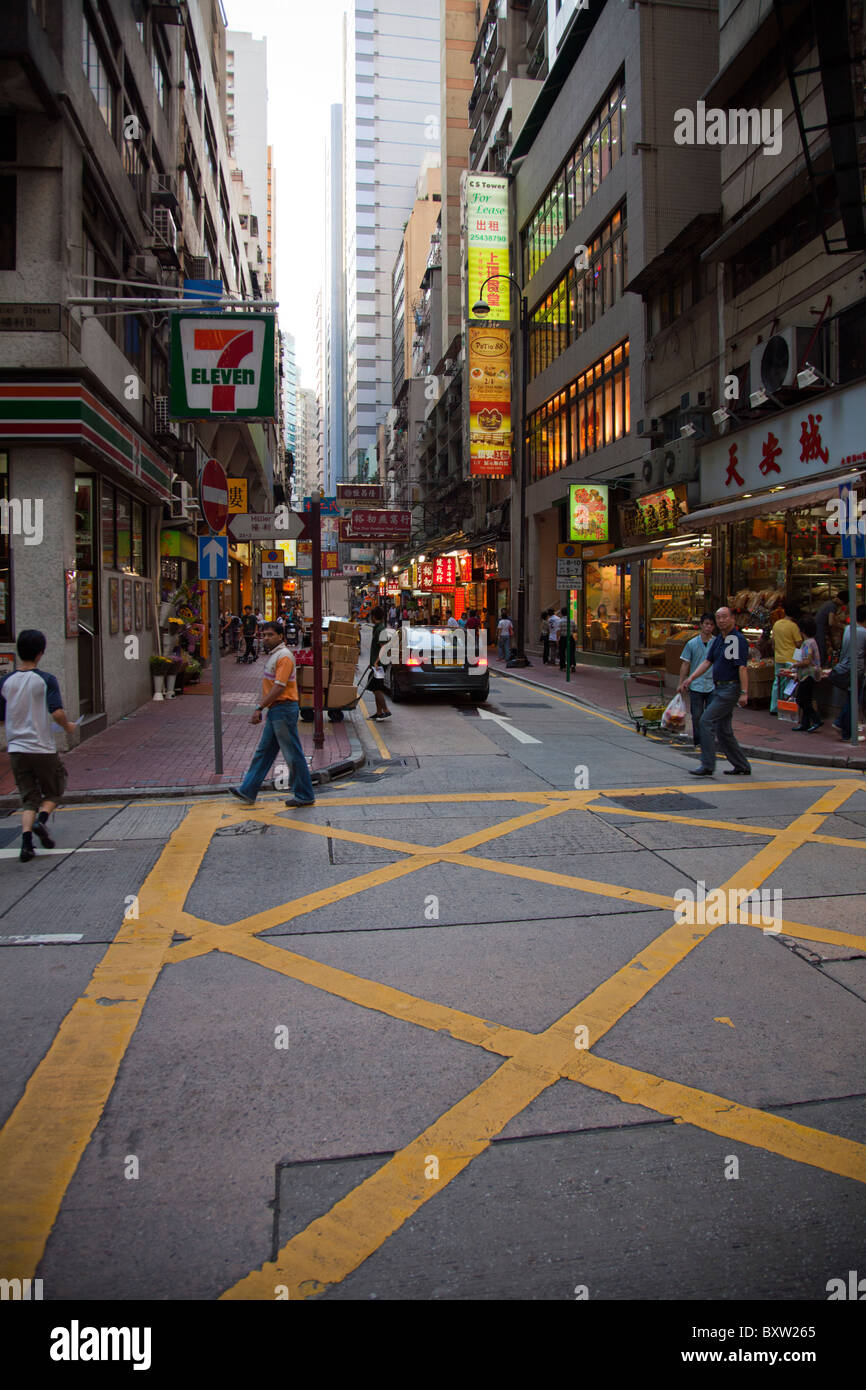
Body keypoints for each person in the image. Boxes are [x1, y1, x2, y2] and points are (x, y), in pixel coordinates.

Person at [0, 629, 78, 861]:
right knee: (55, 789)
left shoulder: (6, 682)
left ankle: (26, 844)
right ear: (40, 653)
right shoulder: (45, 680)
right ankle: (42, 821)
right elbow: (56, 712)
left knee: (28, 798)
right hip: (41, 747)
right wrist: (68, 727)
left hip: (16, 748)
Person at [230, 623, 316, 808]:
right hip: (277, 710)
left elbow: (279, 686)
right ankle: (248, 789)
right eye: (264, 635)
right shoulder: (276, 655)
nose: (266, 638)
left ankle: (304, 794)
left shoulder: (284, 656)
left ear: (280, 636)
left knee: (292, 754)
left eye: (270, 635)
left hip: (283, 709)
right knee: (264, 752)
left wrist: (260, 707)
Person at [678, 606, 751, 777]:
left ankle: (708, 764)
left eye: (725, 617)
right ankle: (742, 765)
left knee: (705, 720)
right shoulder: (719, 640)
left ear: (733, 619)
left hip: (729, 688)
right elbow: (707, 662)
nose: (721, 621)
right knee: (723, 730)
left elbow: (742, 667)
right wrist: (691, 678)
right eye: (719, 618)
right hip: (719, 687)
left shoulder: (736, 639)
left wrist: (744, 692)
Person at [827, 603, 866, 740]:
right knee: (854, 701)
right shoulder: (863, 632)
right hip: (855, 671)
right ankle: (845, 731)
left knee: (851, 700)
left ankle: (843, 727)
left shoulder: (848, 629)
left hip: (843, 668)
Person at [678, 613, 716, 747]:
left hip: (712, 684)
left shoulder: (716, 643)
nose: (708, 627)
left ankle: (709, 741)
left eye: (711, 625)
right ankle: (698, 741)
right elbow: (685, 664)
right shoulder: (691, 644)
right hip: (696, 686)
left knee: (711, 716)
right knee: (697, 715)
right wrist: (681, 682)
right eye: (706, 624)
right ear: (701, 625)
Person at [769, 601, 802, 714]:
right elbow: (798, 644)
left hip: (778, 657)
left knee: (777, 682)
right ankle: (786, 707)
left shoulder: (777, 624)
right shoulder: (794, 626)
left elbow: (773, 641)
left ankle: (774, 707)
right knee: (789, 684)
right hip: (791, 659)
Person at [792, 616, 823, 732]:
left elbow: (807, 660)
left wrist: (795, 665)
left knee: (801, 699)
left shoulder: (807, 643)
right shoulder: (811, 642)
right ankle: (805, 723)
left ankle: (816, 719)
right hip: (810, 674)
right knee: (806, 699)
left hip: (807, 674)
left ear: (803, 630)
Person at [367, 605, 392, 720]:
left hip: (380, 665)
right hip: (376, 664)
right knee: (375, 688)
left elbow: (384, 648)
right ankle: (379, 712)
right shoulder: (377, 628)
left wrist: (376, 662)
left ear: (373, 616)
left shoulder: (380, 629)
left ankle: (385, 710)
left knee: (377, 688)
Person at [815, 589, 848, 666]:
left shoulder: (828, 603)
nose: (842, 605)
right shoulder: (832, 606)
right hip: (820, 630)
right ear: (841, 600)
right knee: (822, 651)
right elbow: (831, 622)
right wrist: (843, 626)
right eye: (843, 603)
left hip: (821, 630)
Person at [558, 606, 574, 673]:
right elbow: (576, 630)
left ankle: (562, 666)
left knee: (562, 652)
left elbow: (558, 630)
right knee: (571, 652)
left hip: (563, 638)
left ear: (562, 613)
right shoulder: (572, 621)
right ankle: (572, 665)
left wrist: (557, 639)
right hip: (570, 637)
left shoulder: (560, 621)